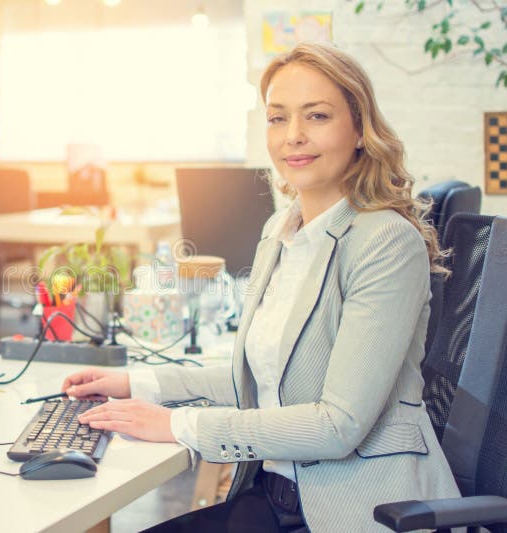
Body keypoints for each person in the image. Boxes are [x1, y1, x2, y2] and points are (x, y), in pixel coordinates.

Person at [61, 41, 461, 532]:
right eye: (277, 118)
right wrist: (141, 384)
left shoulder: (384, 242)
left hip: (356, 510)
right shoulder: (281, 229)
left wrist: (178, 425)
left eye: (316, 116)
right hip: (273, 497)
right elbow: (255, 381)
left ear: (359, 129)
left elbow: (338, 426)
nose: (293, 136)